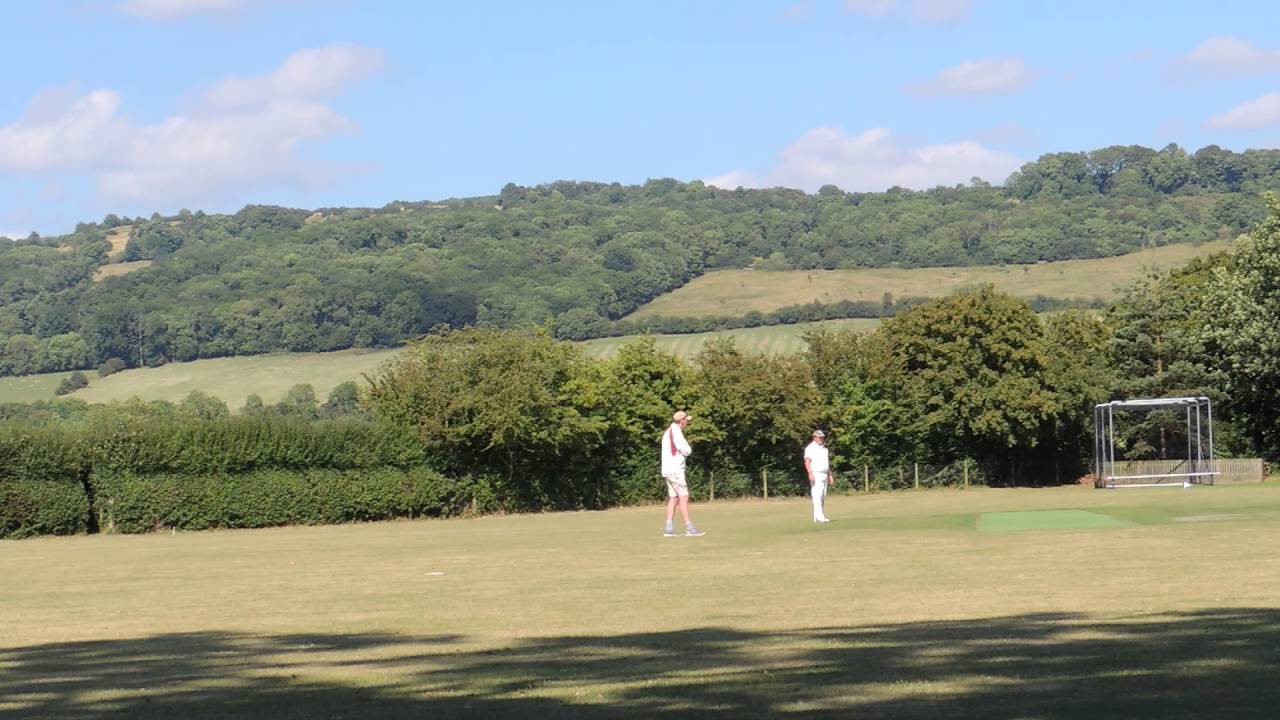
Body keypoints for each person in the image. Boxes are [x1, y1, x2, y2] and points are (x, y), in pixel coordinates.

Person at [661, 410, 704, 537]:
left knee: (673, 498)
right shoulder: (676, 431)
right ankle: (689, 528)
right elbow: (686, 449)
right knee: (683, 496)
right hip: (675, 469)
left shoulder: (668, 431)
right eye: (686, 420)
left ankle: (669, 528)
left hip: (668, 470)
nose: (687, 422)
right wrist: (687, 451)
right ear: (681, 421)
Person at [804, 429, 834, 522]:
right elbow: (807, 461)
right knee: (817, 495)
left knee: (823, 495)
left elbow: (826, 463)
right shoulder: (810, 448)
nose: (821, 439)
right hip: (816, 473)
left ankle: (820, 514)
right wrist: (810, 473)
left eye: (822, 437)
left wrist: (830, 475)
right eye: (819, 437)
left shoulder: (824, 449)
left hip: (824, 473)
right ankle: (819, 516)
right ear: (814, 437)